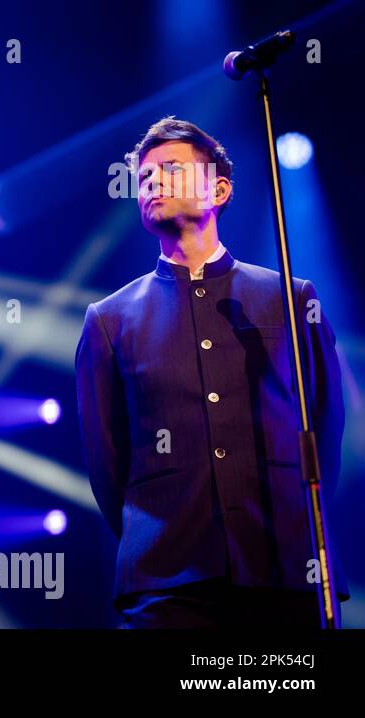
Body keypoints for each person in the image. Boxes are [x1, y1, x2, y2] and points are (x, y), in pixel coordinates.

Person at [74, 117, 345, 628]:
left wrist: (298, 522)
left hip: (285, 567)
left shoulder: (289, 297)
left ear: (218, 188)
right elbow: (106, 461)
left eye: (170, 169)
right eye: (144, 177)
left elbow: (327, 427)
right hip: (169, 583)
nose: (152, 183)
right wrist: (159, 526)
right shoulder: (110, 320)